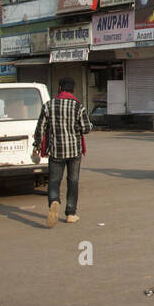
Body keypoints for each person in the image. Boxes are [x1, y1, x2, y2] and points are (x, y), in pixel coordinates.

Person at [32, 77, 94, 226]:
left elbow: (40, 129)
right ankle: (71, 213)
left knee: (54, 180)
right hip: (74, 150)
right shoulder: (78, 107)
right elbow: (86, 128)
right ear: (73, 90)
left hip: (55, 150)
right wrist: (76, 127)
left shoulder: (48, 105)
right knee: (73, 181)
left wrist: (36, 145)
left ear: (59, 88)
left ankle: (54, 201)